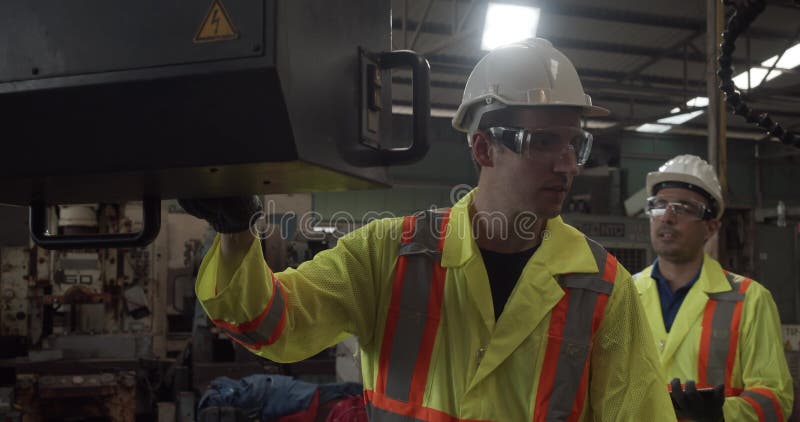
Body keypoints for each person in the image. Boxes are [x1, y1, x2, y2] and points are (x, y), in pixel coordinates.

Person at [179, 38, 675, 421]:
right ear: (483, 148)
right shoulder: (386, 254)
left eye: (576, 144)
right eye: (543, 141)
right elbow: (267, 324)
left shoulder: (602, 284)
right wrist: (237, 235)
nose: (568, 165)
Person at [634, 154, 793, 421]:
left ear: (711, 227)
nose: (667, 217)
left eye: (684, 207)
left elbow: (776, 397)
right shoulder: (624, 294)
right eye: (659, 205)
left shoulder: (749, 299)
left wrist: (721, 414)